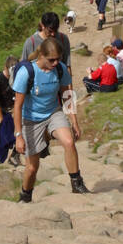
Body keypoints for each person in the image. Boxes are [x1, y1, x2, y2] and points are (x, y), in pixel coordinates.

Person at [12, 38, 89, 200]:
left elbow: (67, 95)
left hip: (53, 112)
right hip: (30, 119)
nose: (55, 63)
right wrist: (18, 136)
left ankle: (77, 183)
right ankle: (25, 195)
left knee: (68, 142)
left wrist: (74, 121)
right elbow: (17, 107)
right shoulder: (27, 73)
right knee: (32, 167)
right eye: (51, 60)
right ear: (41, 55)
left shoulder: (60, 69)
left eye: (58, 59)